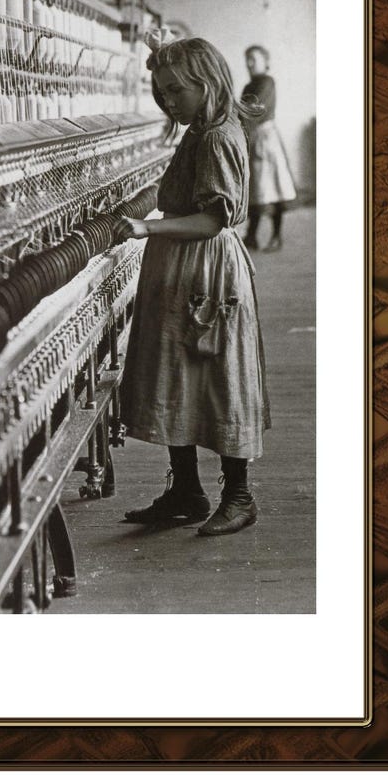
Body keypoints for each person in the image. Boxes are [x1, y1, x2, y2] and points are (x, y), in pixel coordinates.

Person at [114, 34, 271, 536]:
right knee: (175, 373)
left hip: (206, 269)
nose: (168, 101)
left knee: (220, 378)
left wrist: (147, 227)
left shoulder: (219, 136)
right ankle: (186, 491)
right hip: (182, 269)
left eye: (177, 90)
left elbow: (212, 221)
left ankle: (239, 496)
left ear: (208, 82)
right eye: (161, 92)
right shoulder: (200, 127)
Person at [241, 45, 297, 251]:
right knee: (256, 187)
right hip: (254, 138)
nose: (249, 63)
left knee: (273, 187)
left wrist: (241, 119)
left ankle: (276, 236)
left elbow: (255, 110)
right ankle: (252, 235)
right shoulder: (249, 85)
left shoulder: (267, 82)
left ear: (265, 62)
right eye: (247, 59)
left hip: (266, 140)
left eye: (253, 59)